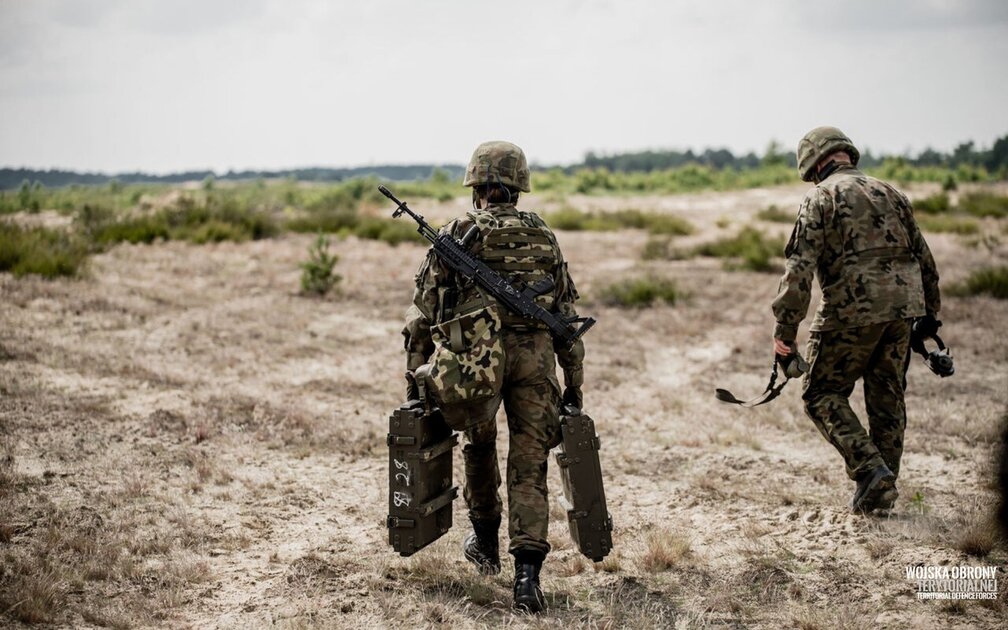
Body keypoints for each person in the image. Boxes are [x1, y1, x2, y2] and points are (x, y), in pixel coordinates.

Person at [402, 141, 585, 612]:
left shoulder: (458, 232)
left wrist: (414, 376)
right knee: (530, 464)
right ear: (519, 186)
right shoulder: (544, 235)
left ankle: (484, 545)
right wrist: (574, 383)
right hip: (535, 360)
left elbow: (423, 314)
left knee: (478, 446)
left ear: (477, 185)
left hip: (474, 361)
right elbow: (566, 315)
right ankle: (527, 578)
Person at [772, 126, 941, 514]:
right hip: (903, 309)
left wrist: (784, 332)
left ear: (814, 165)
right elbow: (925, 260)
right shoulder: (891, 192)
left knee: (820, 393)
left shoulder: (820, 198)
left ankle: (871, 473)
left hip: (850, 310)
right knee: (887, 398)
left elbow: (799, 271)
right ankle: (881, 491)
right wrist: (930, 318)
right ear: (846, 154)